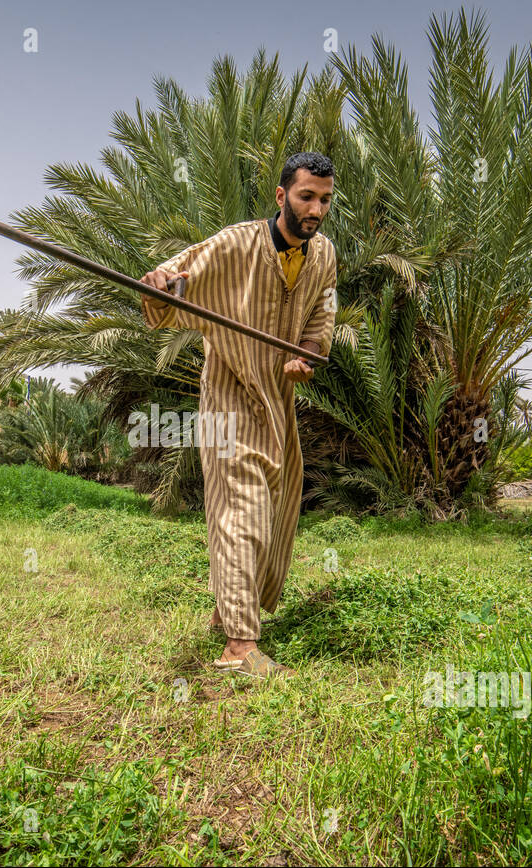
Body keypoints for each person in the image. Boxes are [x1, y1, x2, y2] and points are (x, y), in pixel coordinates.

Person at [139, 152, 337, 678]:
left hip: (277, 400)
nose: (316, 209)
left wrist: (307, 352)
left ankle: (229, 608)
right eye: (306, 197)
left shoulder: (323, 256)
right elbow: (179, 278)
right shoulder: (235, 244)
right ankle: (239, 647)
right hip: (228, 393)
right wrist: (161, 283)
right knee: (241, 508)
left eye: (324, 199)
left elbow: (323, 312)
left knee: (272, 510)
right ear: (281, 196)